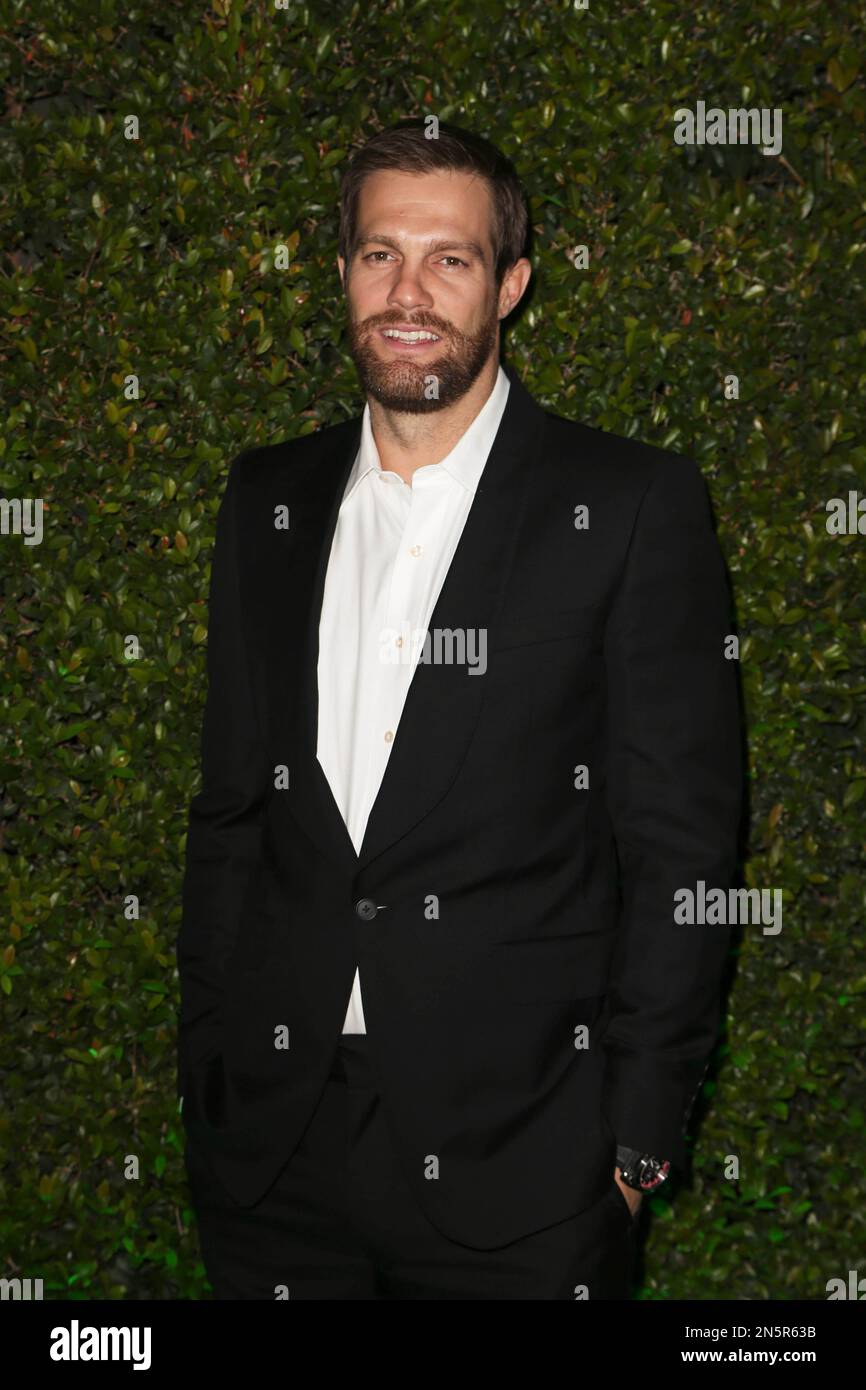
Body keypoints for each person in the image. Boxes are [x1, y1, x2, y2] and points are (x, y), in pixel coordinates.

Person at [177, 117, 742, 1299]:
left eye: (450, 258)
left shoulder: (627, 504)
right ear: (341, 273)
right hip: (275, 1158)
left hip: (526, 1164)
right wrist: (209, 1078)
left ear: (511, 285)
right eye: (379, 253)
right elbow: (231, 812)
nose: (408, 290)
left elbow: (682, 848)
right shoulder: (265, 497)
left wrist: (632, 1148)